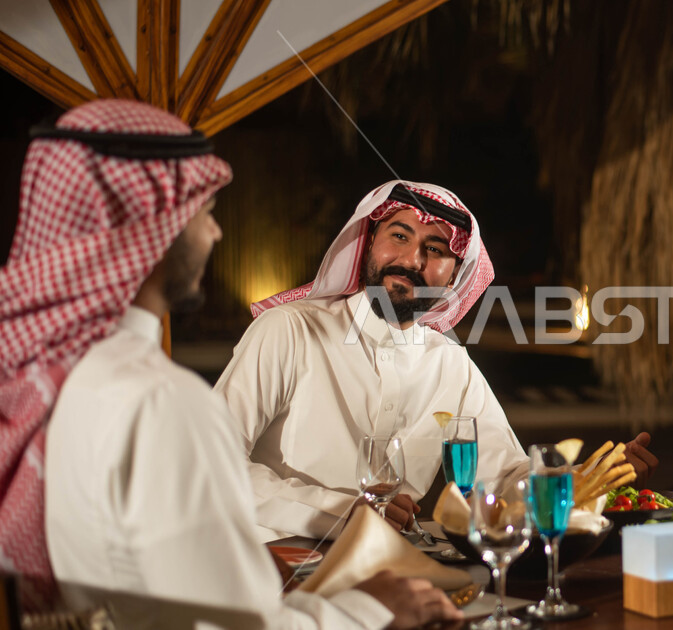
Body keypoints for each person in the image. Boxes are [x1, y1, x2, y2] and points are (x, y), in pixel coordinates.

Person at [1, 99, 461, 627]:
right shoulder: (160, 401)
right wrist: (372, 609)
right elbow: (243, 624)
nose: (216, 233)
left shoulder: (43, 378)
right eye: (206, 213)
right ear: (155, 228)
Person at [216, 180, 658, 542]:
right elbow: (210, 462)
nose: (411, 260)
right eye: (399, 236)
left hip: (389, 573)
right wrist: (338, 512)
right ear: (368, 244)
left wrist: (585, 479)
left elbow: (504, 475)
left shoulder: (451, 366)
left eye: (435, 250)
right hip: (269, 565)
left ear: (454, 278)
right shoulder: (289, 331)